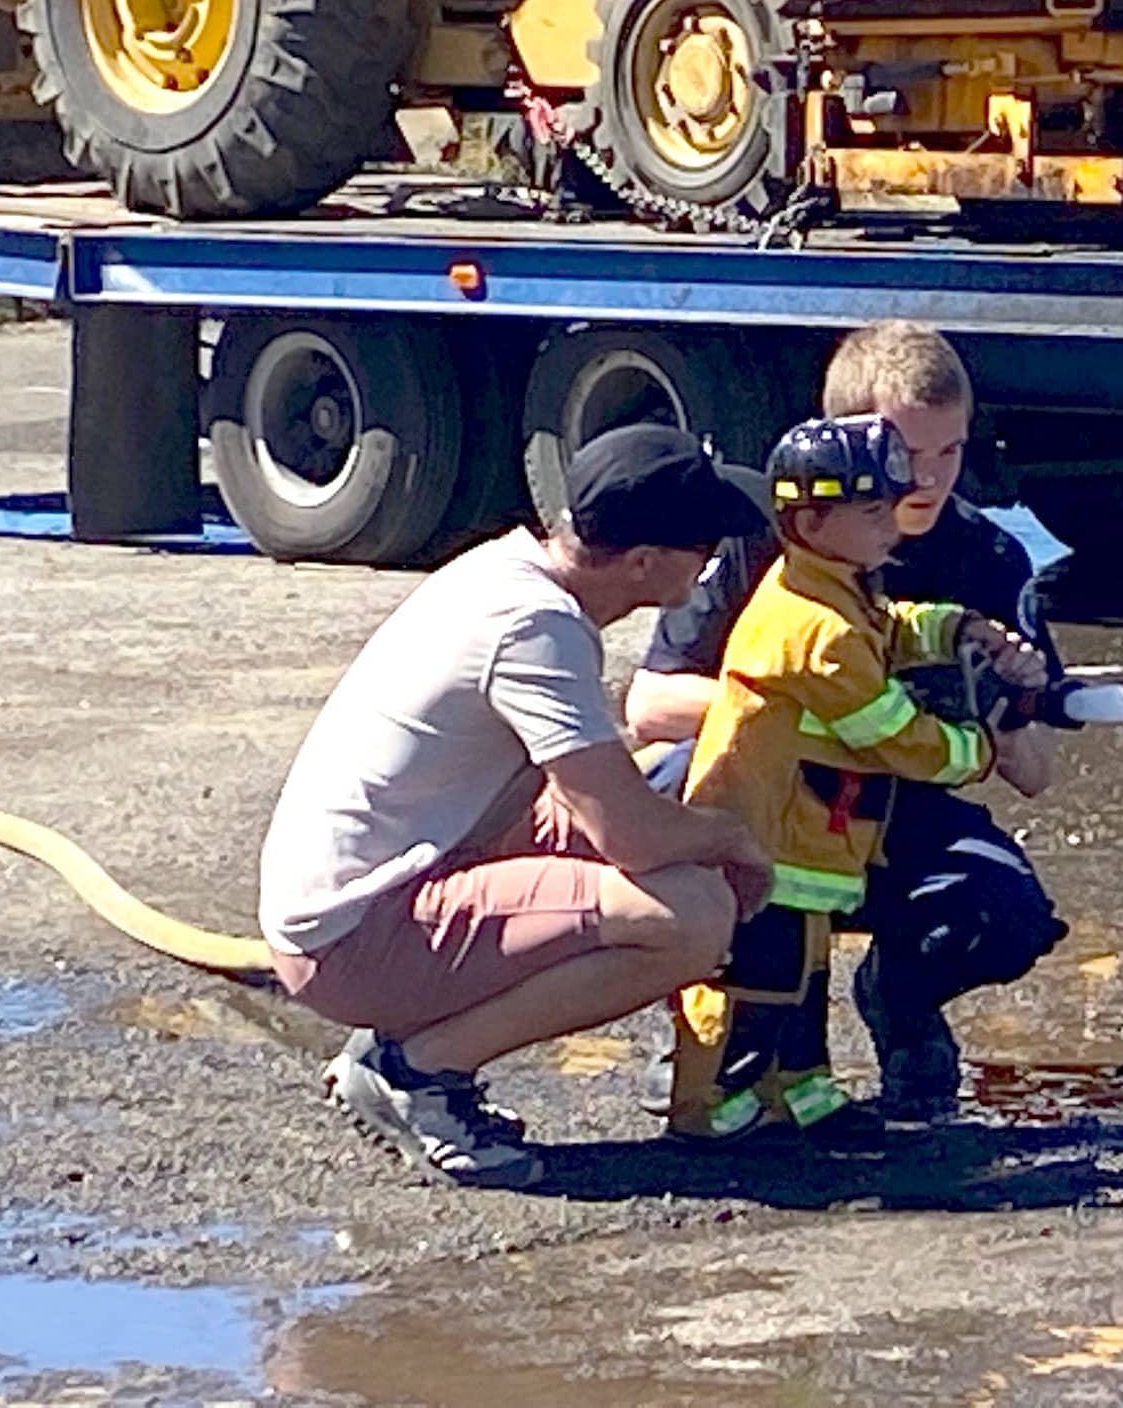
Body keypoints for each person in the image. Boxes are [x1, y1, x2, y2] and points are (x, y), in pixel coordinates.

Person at [259, 425, 774, 1188]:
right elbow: (630, 835)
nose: (712, 563)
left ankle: (410, 1051)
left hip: (390, 879)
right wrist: (732, 838)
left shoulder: (506, 570)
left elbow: (602, 799)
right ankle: (419, 1072)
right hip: (350, 939)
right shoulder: (538, 628)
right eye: (703, 546)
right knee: (690, 914)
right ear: (643, 562)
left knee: (663, 791)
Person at [627, 321, 1066, 1119]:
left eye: (951, 453)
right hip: (774, 797)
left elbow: (1036, 775)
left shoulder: (990, 561)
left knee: (1006, 913)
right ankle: (710, 1029)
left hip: (894, 808)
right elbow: (649, 706)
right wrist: (800, 715)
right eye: (906, 454)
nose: (926, 481)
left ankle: (900, 1001)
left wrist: (1001, 696)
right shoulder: (772, 531)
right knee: (668, 790)